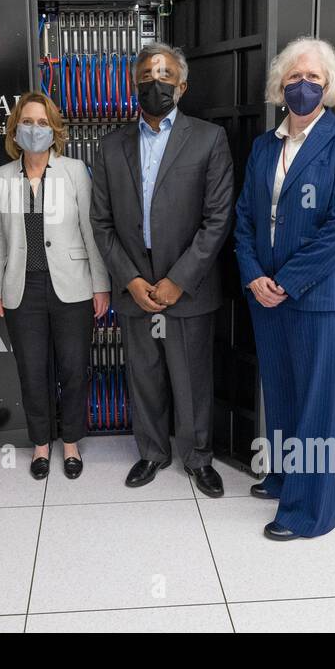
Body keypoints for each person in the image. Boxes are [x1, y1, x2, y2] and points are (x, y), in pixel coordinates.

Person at [234, 36, 335, 540]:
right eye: (295, 77)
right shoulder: (263, 146)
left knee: (314, 404)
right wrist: (254, 275)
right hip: (264, 294)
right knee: (283, 394)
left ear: (330, 86)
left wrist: (287, 283)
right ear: (280, 85)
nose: (304, 85)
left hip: (315, 297)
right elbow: (245, 217)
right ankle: (283, 477)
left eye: (314, 78)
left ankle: (310, 512)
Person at [90, 43, 234, 496]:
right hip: (135, 284)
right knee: (144, 375)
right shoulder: (111, 146)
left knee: (192, 378)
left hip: (187, 287)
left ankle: (198, 458)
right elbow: (102, 221)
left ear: (183, 85)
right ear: (134, 85)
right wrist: (131, 280)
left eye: (166, 76)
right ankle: (152, 452)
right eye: (147, 78)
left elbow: (218, 219)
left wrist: (178, 280)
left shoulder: (209, 139)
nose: (156, 84)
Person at [0, 92, 110, 480]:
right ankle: (41, 443)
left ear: (54, 129)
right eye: (27, 122)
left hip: (72, 287)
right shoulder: (4, 176)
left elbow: (91, 231)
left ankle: (70, 442)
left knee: (73, 368)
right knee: (32, 370)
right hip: (23, 289)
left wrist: (100, 285)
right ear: (15, 129)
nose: (34, 129)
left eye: (42, 123)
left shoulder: (74, 171)